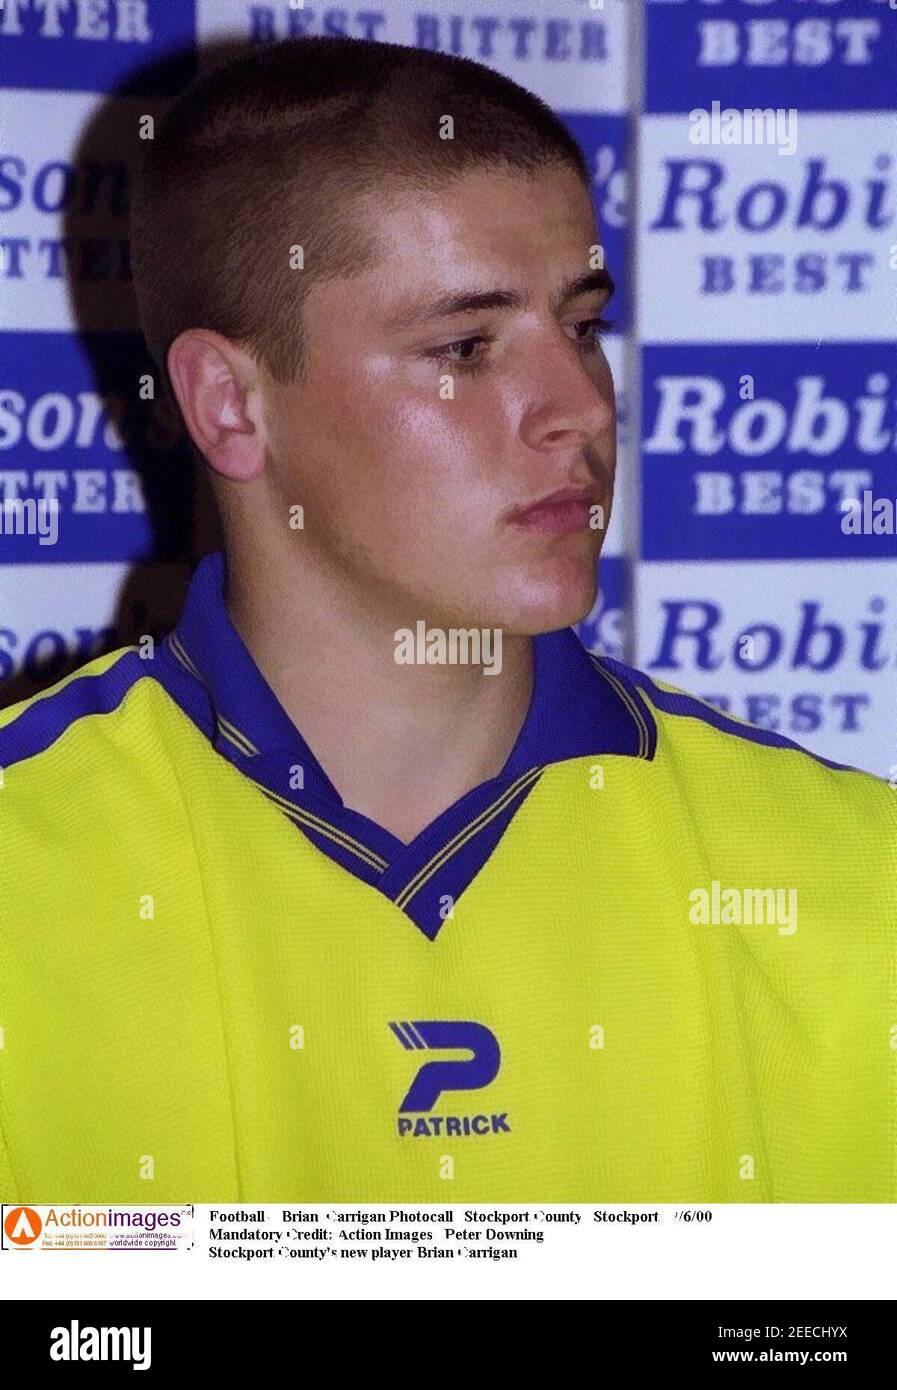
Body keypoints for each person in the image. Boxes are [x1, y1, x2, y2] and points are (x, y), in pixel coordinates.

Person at [1, 36, 893, 1204]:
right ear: (229, 403)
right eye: (465, 349)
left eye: (581, 325)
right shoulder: (31, 868)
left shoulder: (851, 875)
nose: (581, 409)